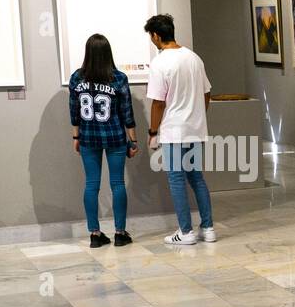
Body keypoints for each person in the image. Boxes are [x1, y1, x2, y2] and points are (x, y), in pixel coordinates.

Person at [143, 14, 216, 246]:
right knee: (196, 178)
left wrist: (153, 131)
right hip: (196, 128)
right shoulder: (194, 58)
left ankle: (185, 232)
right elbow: (207, 93)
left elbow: (158, 102)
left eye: (151, 37)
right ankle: (208, 227)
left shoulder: (160, 63)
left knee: (176, 179)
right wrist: (198, 115)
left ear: (156, 35)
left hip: (174, 130)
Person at [69, 34, 138, 247]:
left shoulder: (76, 78)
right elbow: (127, 112)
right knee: (117, 183)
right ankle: (120, 233)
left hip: (88, 137)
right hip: (115, 136)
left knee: (91, 184)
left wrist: (75, 136)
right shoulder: (118, 78)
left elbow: (74, 110)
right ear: (108, 53)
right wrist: (133, 141)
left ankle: (95, 235)